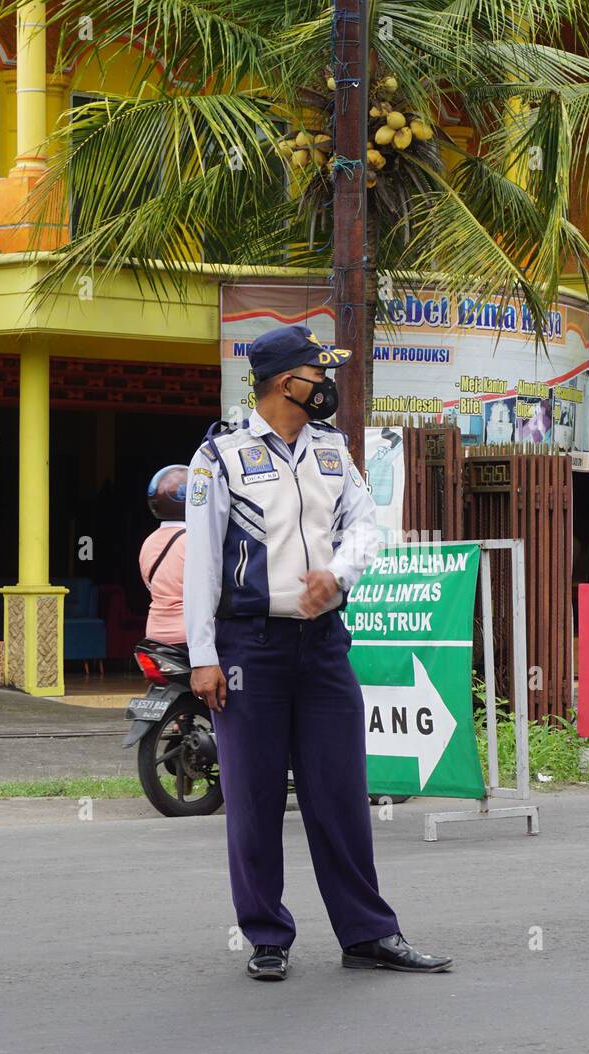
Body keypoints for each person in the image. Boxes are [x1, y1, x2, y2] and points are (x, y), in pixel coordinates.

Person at [184, 323, 452, 982]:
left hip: (325, 642)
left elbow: (365, 525)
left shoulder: (333, 449)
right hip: (250, 645)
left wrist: (340, 574)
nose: (327, 384)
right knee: (254, 797)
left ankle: (367, 933)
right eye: (317, 372)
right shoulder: (218, 457)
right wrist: (202, 654)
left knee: (340, 791)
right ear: (286, 382)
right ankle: (267, 935)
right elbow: (200, 564)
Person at [138, 465, 190, 652]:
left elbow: (150, 584)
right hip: (191, 635)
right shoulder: (197, 540)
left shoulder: (148, 542)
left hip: (155, 633)